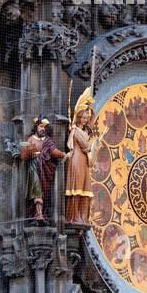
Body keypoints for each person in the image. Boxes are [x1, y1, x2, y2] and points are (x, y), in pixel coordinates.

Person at [64, 89, 98, 225]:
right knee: (77, 188)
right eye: (83, 118)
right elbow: (85, 146)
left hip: (83, 161)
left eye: (87, 118)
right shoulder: (76, 131)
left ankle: (83, 217)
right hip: (77, 160)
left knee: (85, 188)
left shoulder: (84, 131)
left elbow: (92, 122)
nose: (85, 120)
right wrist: (92, 146)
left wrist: (90, 108)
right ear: (78, 117)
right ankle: (74, 216)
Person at [21, 117, 65, 222]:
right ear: (36, 127)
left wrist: (63, 154)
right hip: (33, 168)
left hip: (45, 170)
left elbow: (54, 151)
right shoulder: (31, 139)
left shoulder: (47, 140)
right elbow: (23, 156)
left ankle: (41, 213)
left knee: (44, 192)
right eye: (41, 126)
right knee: (37, 189)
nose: (43, 129)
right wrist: (30, 151)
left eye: (44, 127)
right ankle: (38, 213)